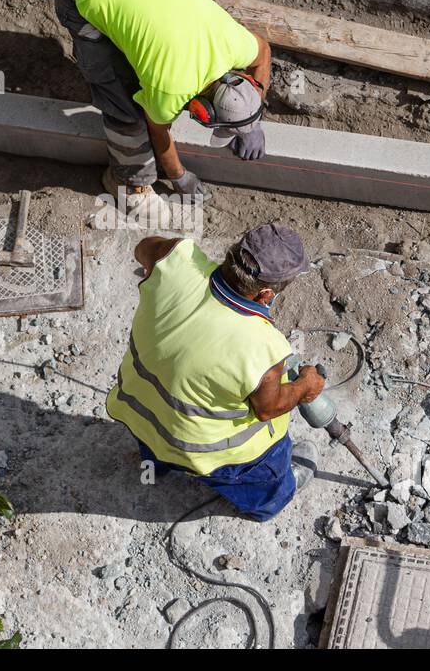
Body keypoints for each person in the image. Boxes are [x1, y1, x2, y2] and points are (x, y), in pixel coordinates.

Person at [106, 223, 324, 522]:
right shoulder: (263, 346)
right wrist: (305, 387)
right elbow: (267, 409)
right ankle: (269, 502)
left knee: (155, 440)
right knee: (265, 471)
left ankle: (157, 466)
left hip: (139, 411)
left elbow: (142, 248)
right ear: (266, 294)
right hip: (203, 451)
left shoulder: (176, 258)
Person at [52, 0, 272, 215]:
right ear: (202, 111)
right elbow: (159, 133)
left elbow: (264, 52)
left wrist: (250, 119)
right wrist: (180, 177)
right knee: (126, 107)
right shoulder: (170, 90)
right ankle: (127, 183)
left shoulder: (235, 41)